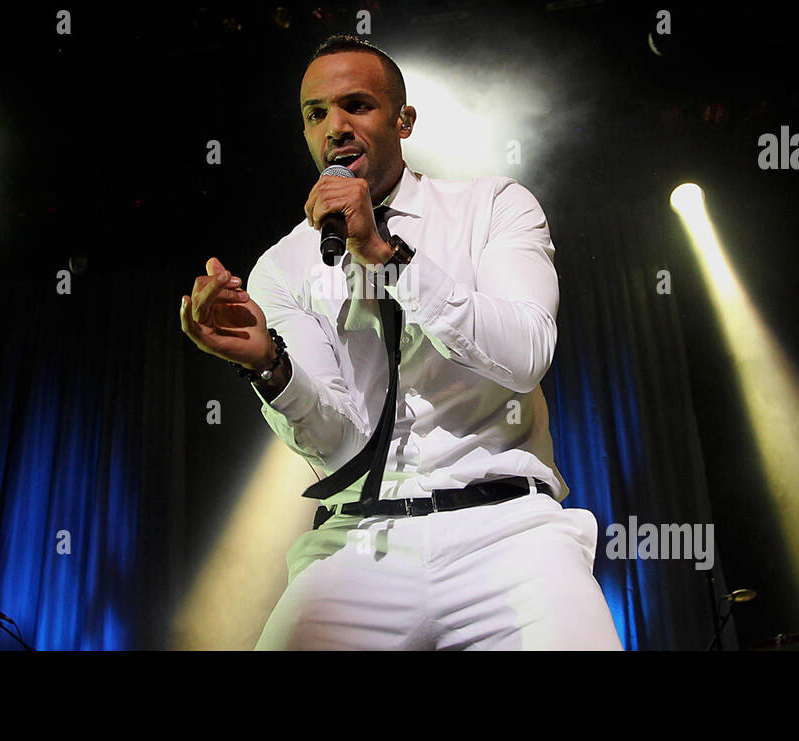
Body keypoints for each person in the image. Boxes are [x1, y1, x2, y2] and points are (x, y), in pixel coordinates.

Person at [180, 34, 622, 650]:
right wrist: (270, 366)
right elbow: (338, 443)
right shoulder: (282, 266)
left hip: (508, 531)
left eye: (356, 105)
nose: (335, 127)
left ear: (403, 120)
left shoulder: (492, 205)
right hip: (358, 540)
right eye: (315, 114)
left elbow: (526, 354)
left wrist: (386, 258)